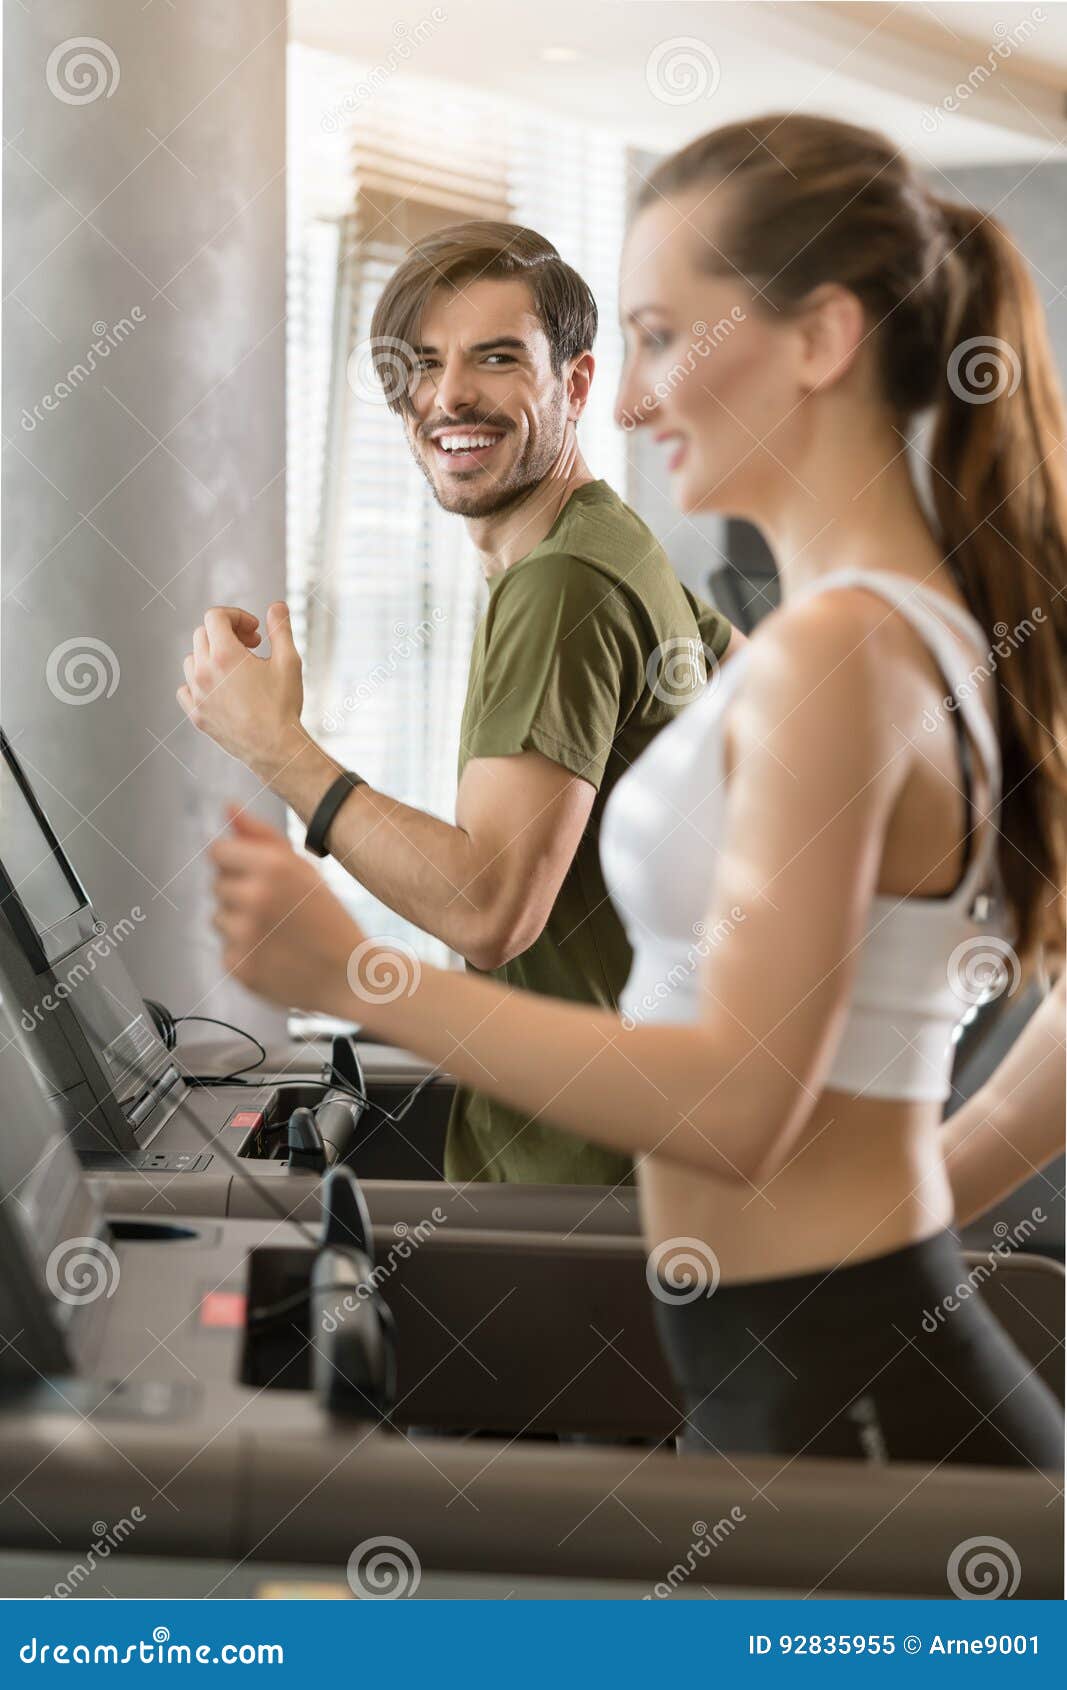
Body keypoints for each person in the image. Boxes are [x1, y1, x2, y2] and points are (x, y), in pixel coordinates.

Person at [207, 114, 1065, 1469]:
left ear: (819, 340)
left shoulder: (846, 651)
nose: (631, 398)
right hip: (811, 1347)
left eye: (666, 339)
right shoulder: (876, 629)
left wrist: (357, 970)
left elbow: (733, 1099)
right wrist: (888, 1225)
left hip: (832, 1392)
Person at [177, 222, 739, 1188]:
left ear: (571, 384)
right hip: (612, 1144)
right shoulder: (610, 547)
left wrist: (279, 750)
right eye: (422, 363)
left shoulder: (564, 583)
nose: (447, 397)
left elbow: (487, 910)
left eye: (495, 358)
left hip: (580, 1184)